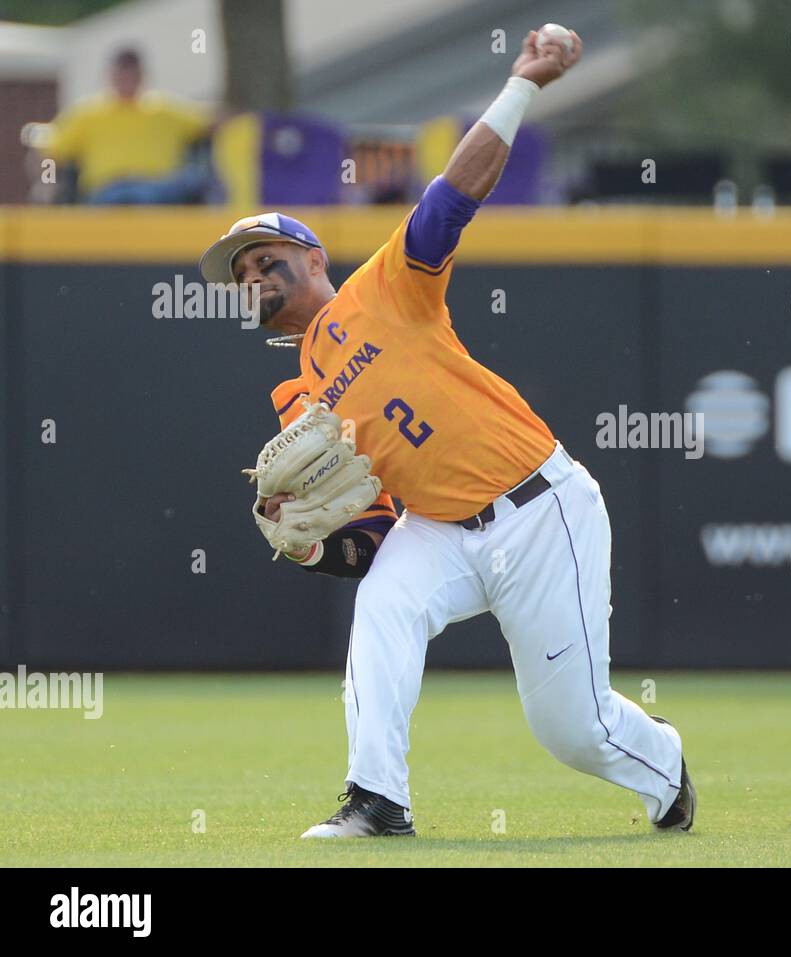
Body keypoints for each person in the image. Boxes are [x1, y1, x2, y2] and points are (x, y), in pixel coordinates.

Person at [198, 28, 695, 837]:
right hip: (436, 528)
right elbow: (366, 535)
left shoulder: (382, 288)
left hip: (538, 507)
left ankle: (664, 766)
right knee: (386, 608)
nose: (250, 278)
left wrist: (523, 85)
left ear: (312, 254)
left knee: (573, 731)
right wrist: (312, 543)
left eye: (262, 258)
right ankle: (376, 801)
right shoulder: (297, 395)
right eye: (240, 273)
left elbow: (452, 195)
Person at [44, 48, 210, 204]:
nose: (127, 83)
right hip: (107, 190)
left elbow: (210, 122)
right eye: (122, 77)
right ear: (111, 77)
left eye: (132, 77)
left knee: (190, 179)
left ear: (142, 76)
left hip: (160, 189)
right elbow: (51, 151)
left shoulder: (166, 110)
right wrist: (48, 183)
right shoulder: (87, 113)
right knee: (129, 196)